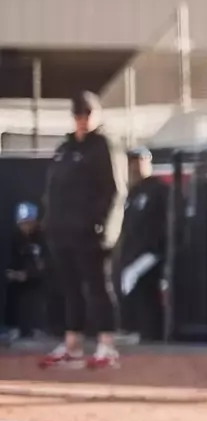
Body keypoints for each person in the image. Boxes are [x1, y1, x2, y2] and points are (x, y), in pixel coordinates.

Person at [40, 91, 126, 369]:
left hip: (92, 234)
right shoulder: (64, 148)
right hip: (62, 231)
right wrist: (50, 223)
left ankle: (107, 345)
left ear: (96, 115)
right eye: (78, 114)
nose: (82, 120)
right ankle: (72, 345)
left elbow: (114, 190)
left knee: (98, 287)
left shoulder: (103, 145)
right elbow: (53, 189)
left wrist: (103, 227)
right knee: (70, 288)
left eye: (87, 114)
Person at [114, 147, 168, 342]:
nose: (134, 166)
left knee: (136, 282)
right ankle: (135, 329)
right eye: (131, 162)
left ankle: (148, 333)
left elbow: (166, 223)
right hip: (132, 252)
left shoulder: (158, 189)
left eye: (139, 161)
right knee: (127, 282)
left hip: (151, 252)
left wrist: (159, 247)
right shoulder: (132, 193)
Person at [4, 203, 47, 342]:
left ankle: (38, 328)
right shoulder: (14, 237)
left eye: (29, 222)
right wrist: (14, 273)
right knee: (12, 288)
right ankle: (13, 328)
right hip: (19, 277)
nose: (25, 226)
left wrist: (29, 274)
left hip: (39, 277)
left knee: (39, 290)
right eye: (22, 223)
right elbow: (10, 261)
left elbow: (47, 263)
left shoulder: (43, 237)